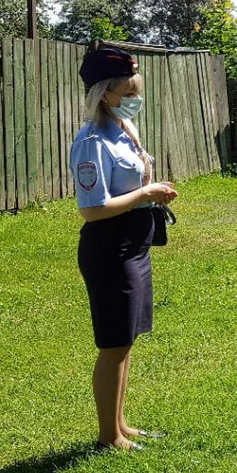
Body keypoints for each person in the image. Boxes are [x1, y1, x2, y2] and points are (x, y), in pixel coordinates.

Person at [71, 47, 179, 451]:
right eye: (126, 89)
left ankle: (120, 424)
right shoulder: (92, 141)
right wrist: (146, 193)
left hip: (135, 244)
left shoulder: (122, 128)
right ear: (105, 93)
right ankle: (107, 437)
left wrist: (149, 194)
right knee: (113, 344)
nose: (134, 95)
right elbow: (92, 209)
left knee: (126, 339)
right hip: (110, 249)